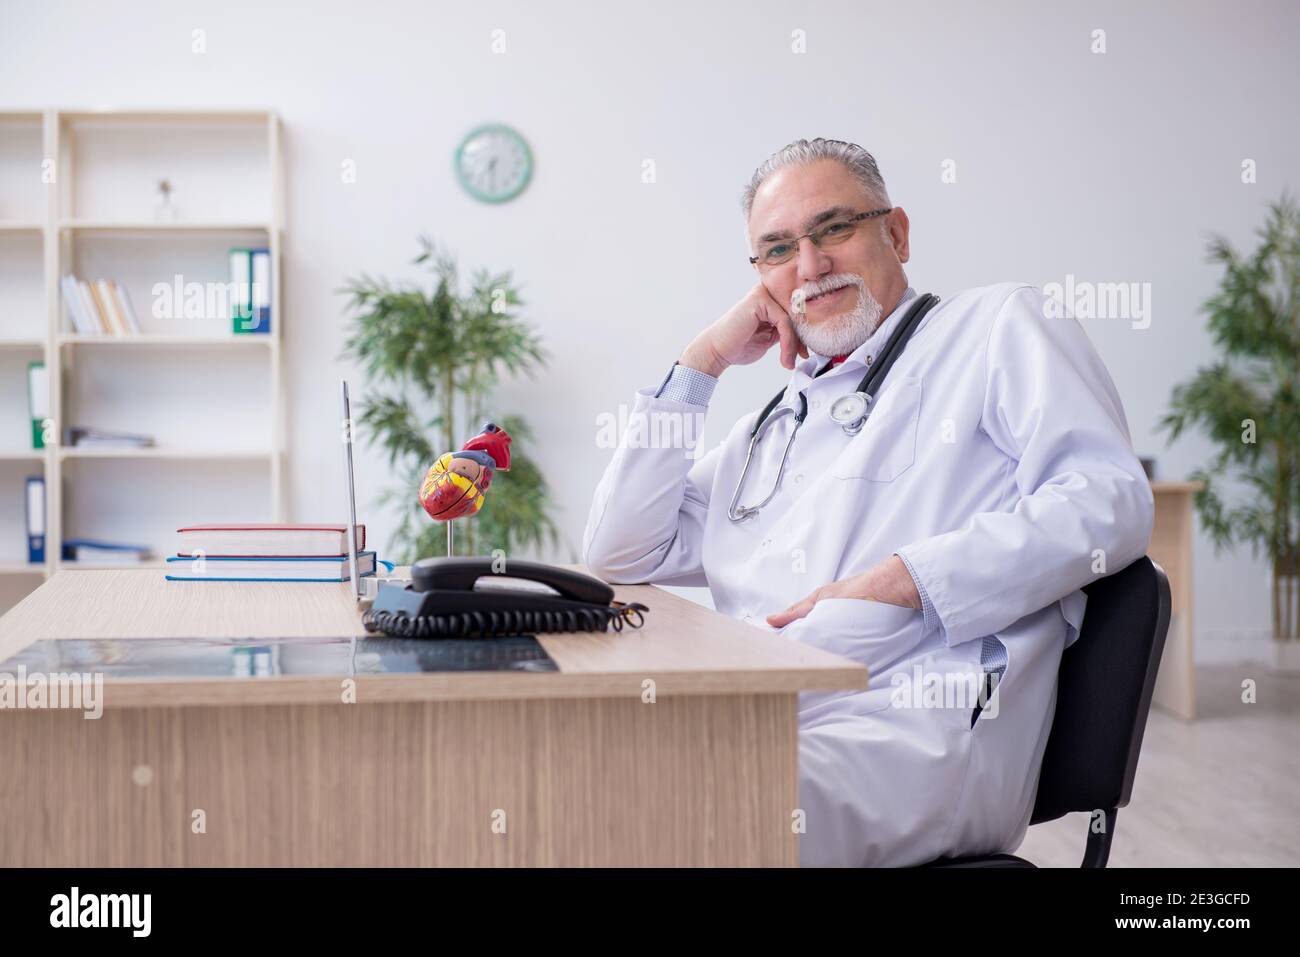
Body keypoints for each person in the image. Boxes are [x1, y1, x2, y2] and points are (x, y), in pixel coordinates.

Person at [582, 137, 1154, 867]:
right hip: (774, 711)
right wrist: (704, 363)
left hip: (913, 731)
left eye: (834, 229)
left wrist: (907, 578)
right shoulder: (776, 424)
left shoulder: (993, 327)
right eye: (780, 248)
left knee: (689, 803)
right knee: (581, 778)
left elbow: (1109, 500)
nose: (811, 265)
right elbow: (618, 551)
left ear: (898, 232)